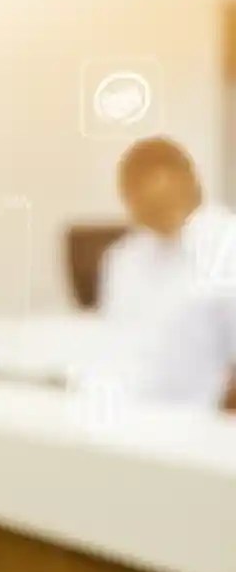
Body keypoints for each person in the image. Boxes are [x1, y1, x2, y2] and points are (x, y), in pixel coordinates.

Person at [95, 135, 236, 412]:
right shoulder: (123, 258)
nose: (151, 207)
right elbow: (113, 347)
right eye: (137, 199)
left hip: (206, 422)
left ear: (190, 184)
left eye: (161, 194)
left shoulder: (225, 243)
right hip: (130, 417)